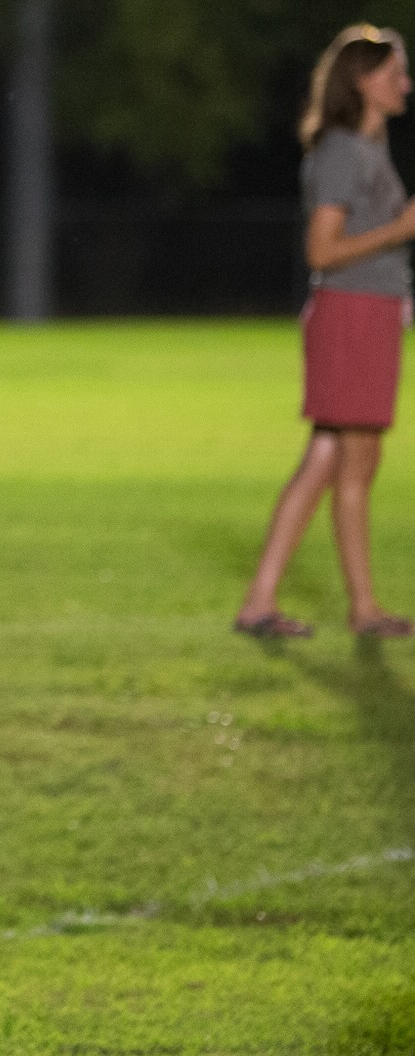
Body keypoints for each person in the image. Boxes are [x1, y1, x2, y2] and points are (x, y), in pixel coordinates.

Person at [237, 23, 415, 639]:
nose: (406, 85)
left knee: (326, 461)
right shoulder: (343, 152)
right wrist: (401, 230)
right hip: (351, 317)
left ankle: (260, 604)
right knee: (358, 464)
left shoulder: (366, 147)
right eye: (396, 74)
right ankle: (363, 610)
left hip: (367, 314)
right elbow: (322, 250)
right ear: (363, 81)